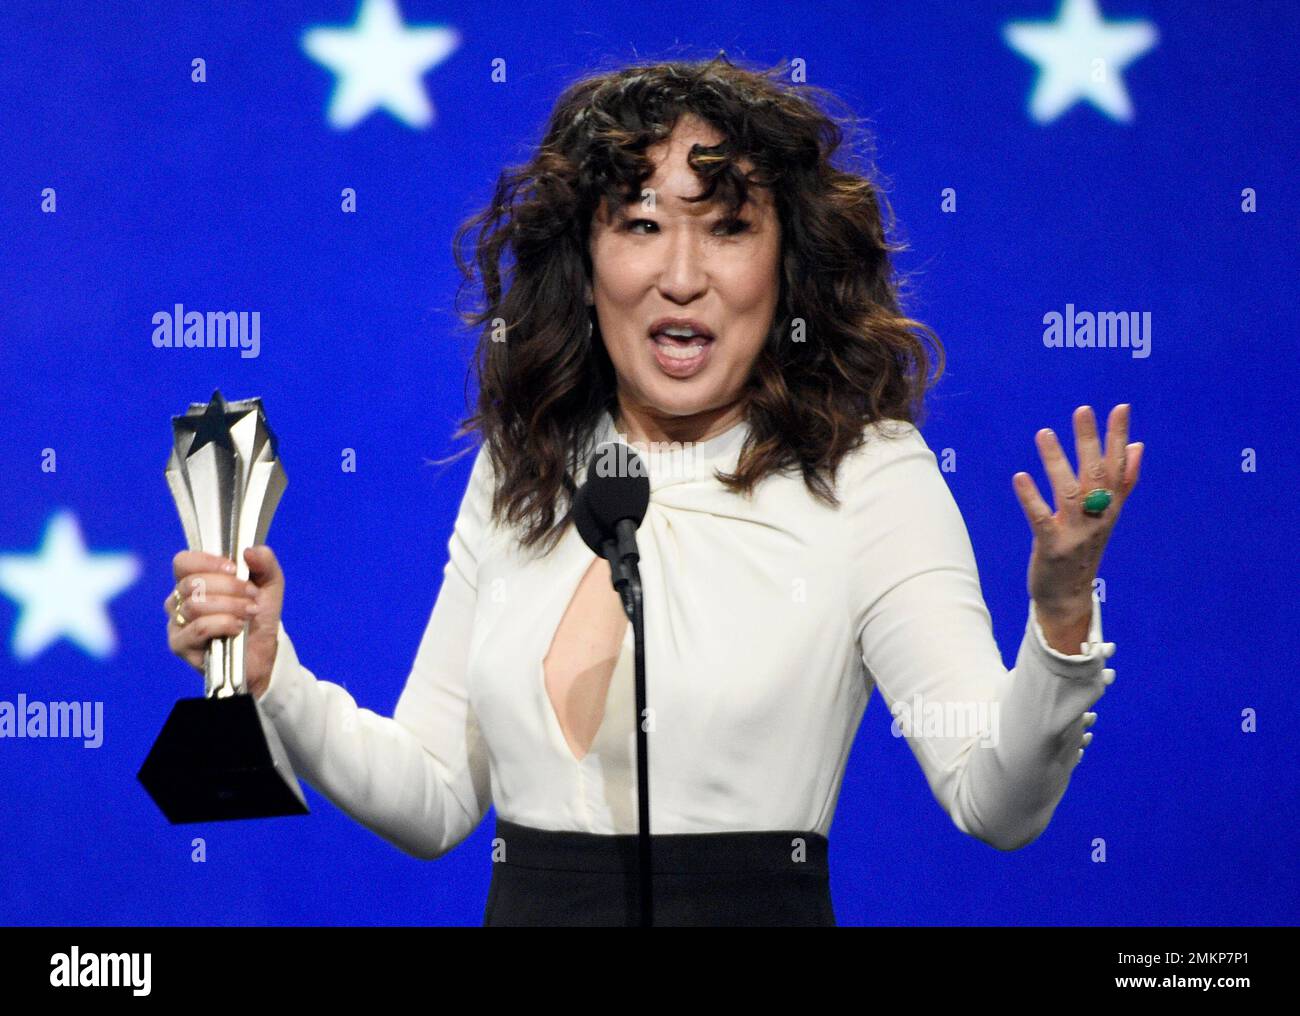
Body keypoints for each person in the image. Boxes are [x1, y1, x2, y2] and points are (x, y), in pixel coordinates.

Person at [164, 54, 1142, 926]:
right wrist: (272, 673)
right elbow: (431, 798)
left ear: (785, 265)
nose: (681, 275)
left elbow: (996, 801)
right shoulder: (526, 464)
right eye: (638, 224)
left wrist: (1059, 620)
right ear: (586, 266)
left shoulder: (866, 473)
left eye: (726, 228)